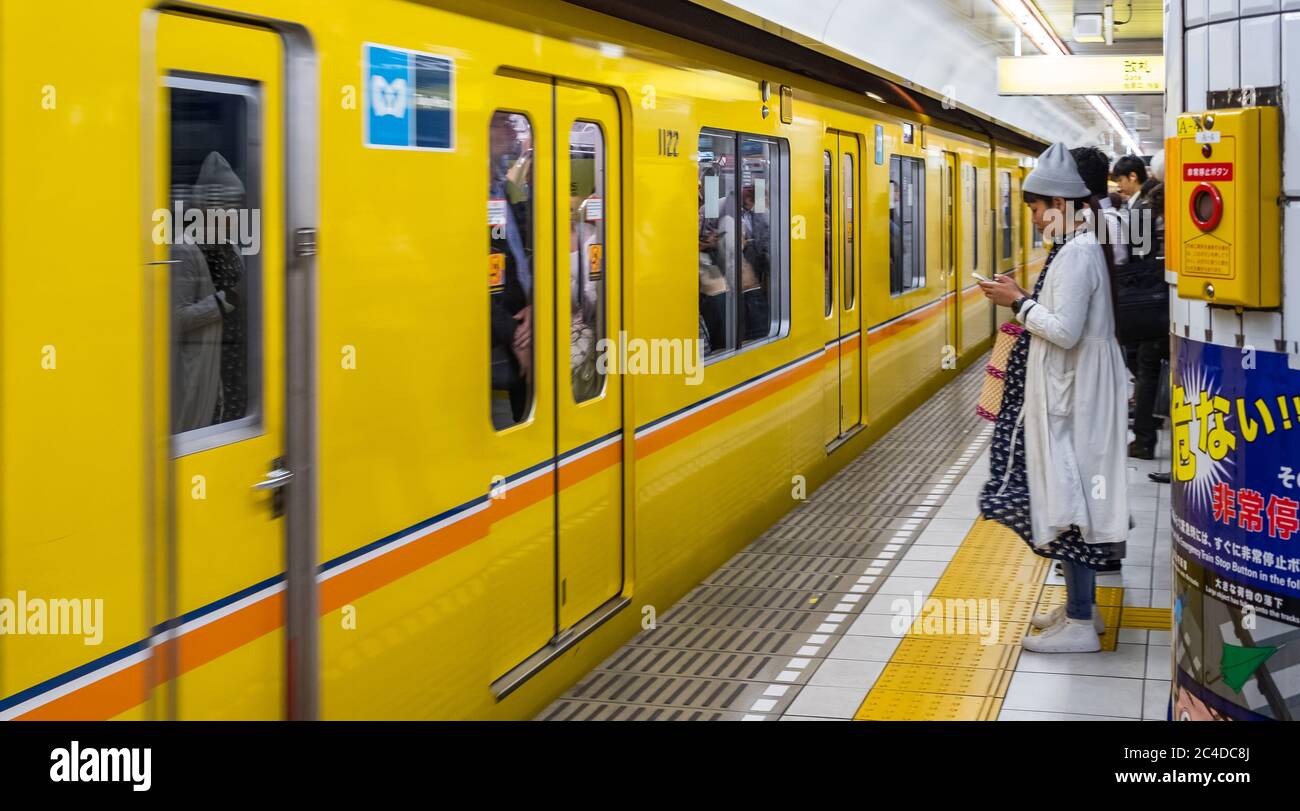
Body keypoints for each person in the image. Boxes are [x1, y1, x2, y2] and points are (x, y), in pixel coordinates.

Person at [977, 142, 1130, 654]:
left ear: (1060, 205)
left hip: (1077, 396)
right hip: (1074, 391)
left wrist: (1017, 302)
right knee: (1071, 502)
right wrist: (1022, 297)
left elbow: (1063, 331)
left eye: (1038, 207)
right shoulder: (1076, 247)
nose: (1035, 217)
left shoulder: (1079, 253)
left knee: (1074, 505)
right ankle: (1077, 609)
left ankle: (1082, 623)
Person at [1111, 154, 1169, 460]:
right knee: (1148, 365)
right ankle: (1150, 426)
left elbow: (1141, 259)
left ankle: (1145, 438)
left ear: (1133, 177)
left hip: (1151, 299)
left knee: (1147, 366)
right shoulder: (1149, 206)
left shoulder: (1145, 209)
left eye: (1120, 179)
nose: (1118, 186)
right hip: (1157, 298)